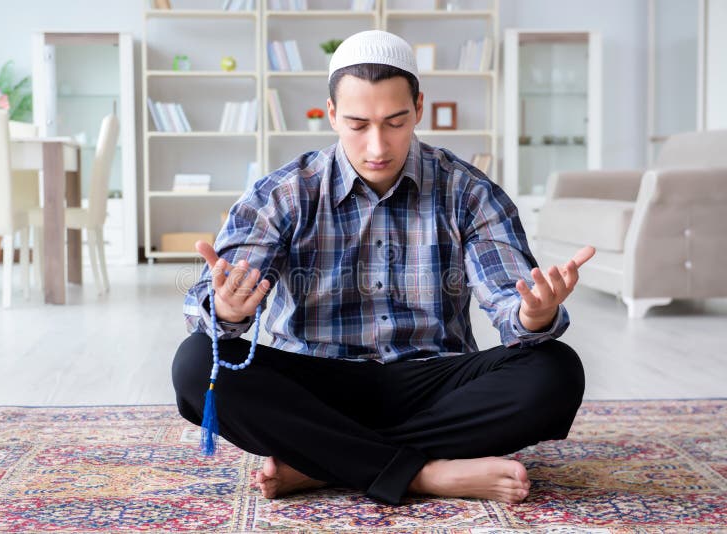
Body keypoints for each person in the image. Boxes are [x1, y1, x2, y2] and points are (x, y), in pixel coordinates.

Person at [172, 30, 594, 506]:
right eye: (358, 124)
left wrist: (533, 315)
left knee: (555, 370)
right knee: (196, 365)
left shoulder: (467, 190)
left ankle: (325, 461)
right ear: (332, 114)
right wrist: (227, 310)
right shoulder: (285, 192)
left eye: (395, 122)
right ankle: (427, 474)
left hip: (431, 380)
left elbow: (509, 301)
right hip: (316, 382)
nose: (377, 146)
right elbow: (208, 311)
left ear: (418, 107)